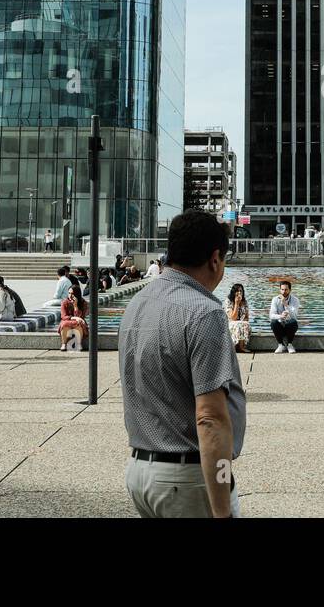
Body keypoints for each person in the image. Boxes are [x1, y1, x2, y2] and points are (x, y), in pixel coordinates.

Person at [119, 209, 244, 518]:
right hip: (187, 479)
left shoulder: (137, 304)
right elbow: (210, 419)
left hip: (140, 471)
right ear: (215, 259)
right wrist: (223, 507)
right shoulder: (204, 313)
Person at [268, 280, 300, 353]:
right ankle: (280, 345)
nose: (283, 292)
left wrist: (285, 304)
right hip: (279, 326)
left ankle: (289, 344)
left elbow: (294, 316)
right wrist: (280, 316)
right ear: (280, 290)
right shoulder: (275, 299)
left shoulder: (295, 300)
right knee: (273, 322)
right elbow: (271, 315)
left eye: (286, 290)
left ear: (290, 290)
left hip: (289, 326)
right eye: (282, 289)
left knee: (293, 322)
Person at [59, 282, 90, 351]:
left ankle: (79, 344)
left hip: (78, 321)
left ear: (77, 294)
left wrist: (75, 306)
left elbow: (81, 317)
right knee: (64, 324)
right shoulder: (65, 302)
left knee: (79, 324)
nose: (70, 295)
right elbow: (63, 316)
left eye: (72, 294)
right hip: (67, 320)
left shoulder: (83, 303)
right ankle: (64, 344)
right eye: (69, 293)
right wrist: (74, 317)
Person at [224, 283, 250, 353]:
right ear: (233, 292)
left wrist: (244, 320)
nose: (239, 293)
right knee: (238, 325)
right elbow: (233, 318)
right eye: (237, 291)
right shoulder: (228, 301)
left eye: (241, 291)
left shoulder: (244, 301)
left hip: (241, 323)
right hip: (230, 323)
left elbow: (247, 317)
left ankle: (241, 347)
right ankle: (236, 347)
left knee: (244, 324)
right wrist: (236, 304)